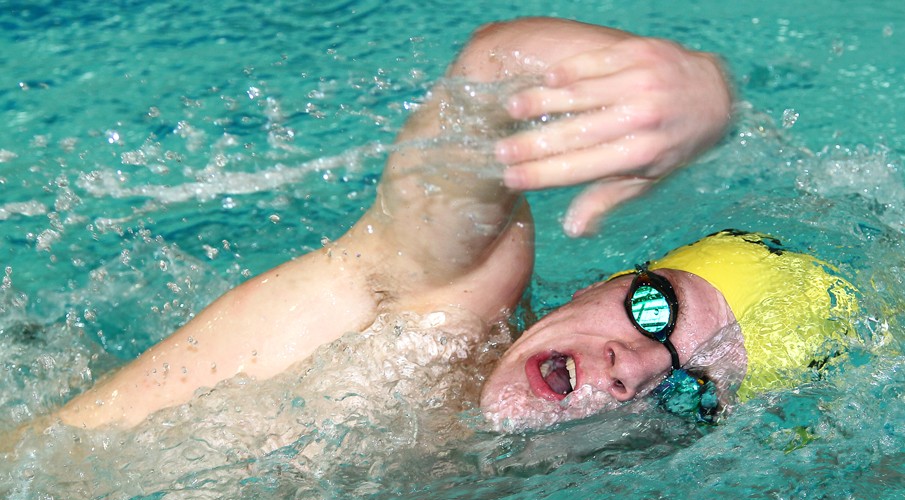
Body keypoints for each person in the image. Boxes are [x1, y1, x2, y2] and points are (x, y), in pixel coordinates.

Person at [53, 17, 858, 434]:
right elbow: (484, 84)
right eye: (656, 312)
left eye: (688, 393)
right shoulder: (443, 311)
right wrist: (696, 88)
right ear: (601, 283)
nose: (630, 370)